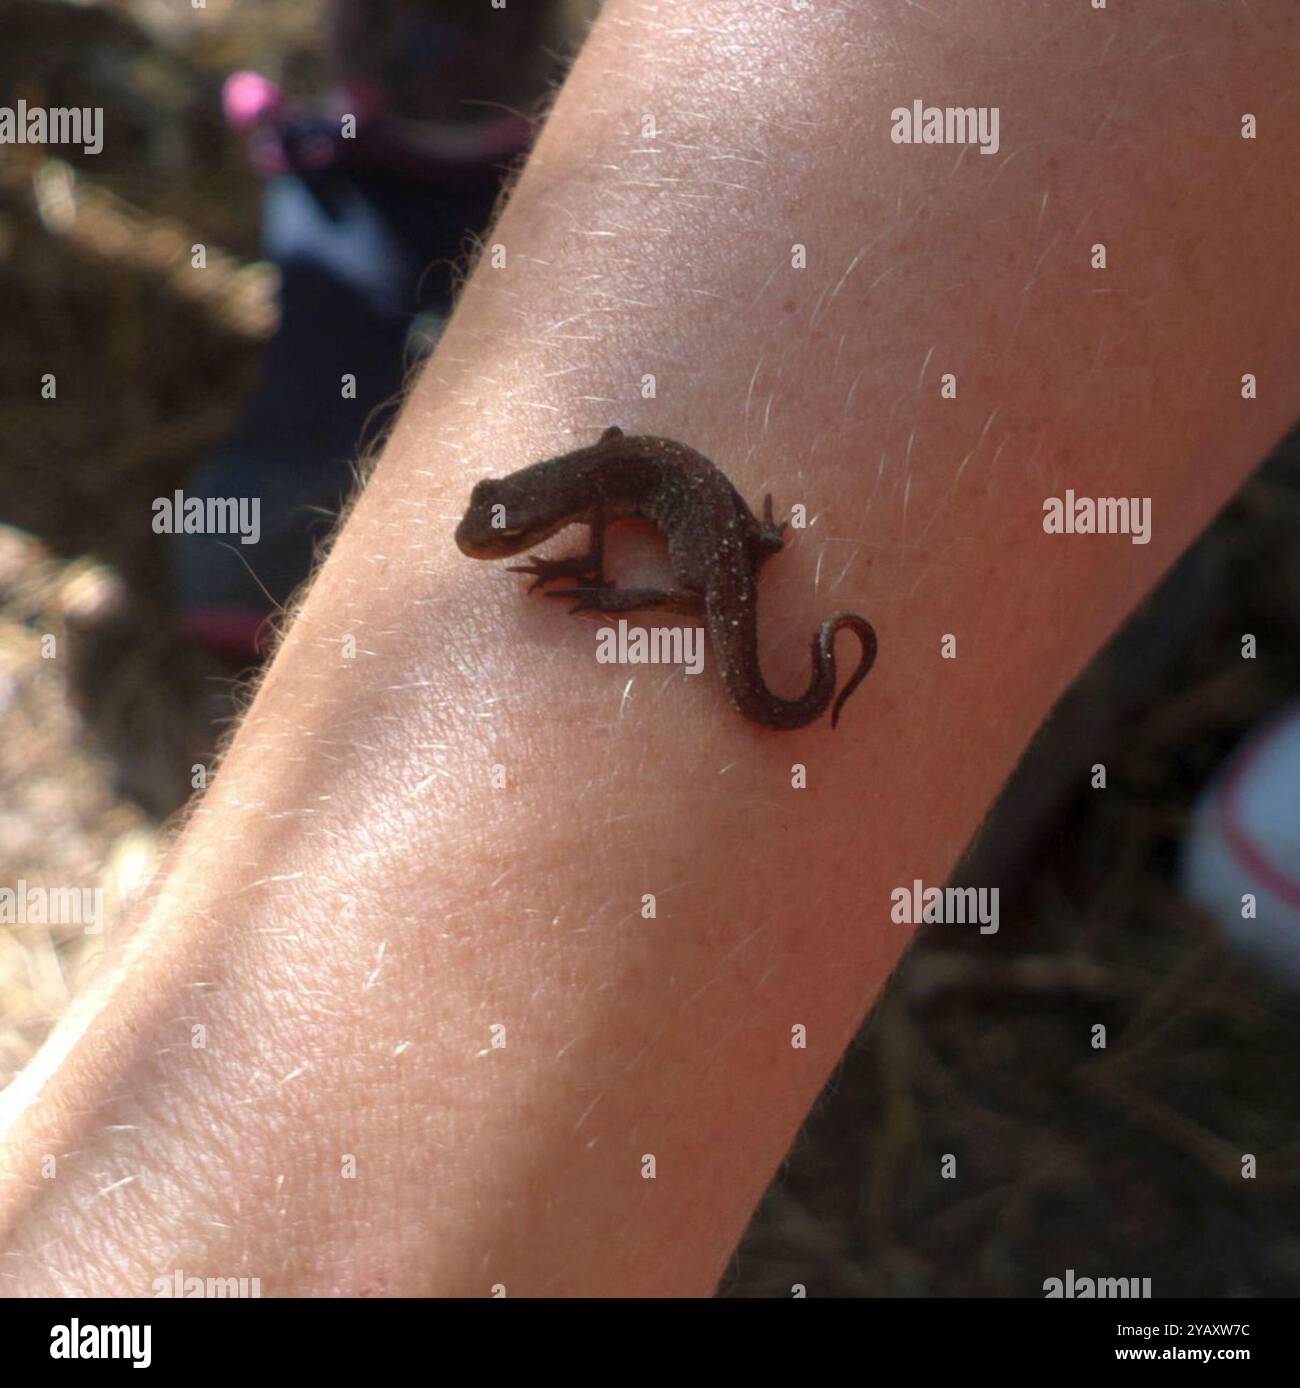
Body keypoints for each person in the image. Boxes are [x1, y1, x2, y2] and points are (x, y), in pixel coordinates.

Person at [0, 0, 1296, 1295]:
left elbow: (633, 528)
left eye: (504, 530)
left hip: (716, 557)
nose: (502, 538)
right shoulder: (582, 493)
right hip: (724, 540)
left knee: (699, 623)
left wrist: (619, 588)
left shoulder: (598, 514)